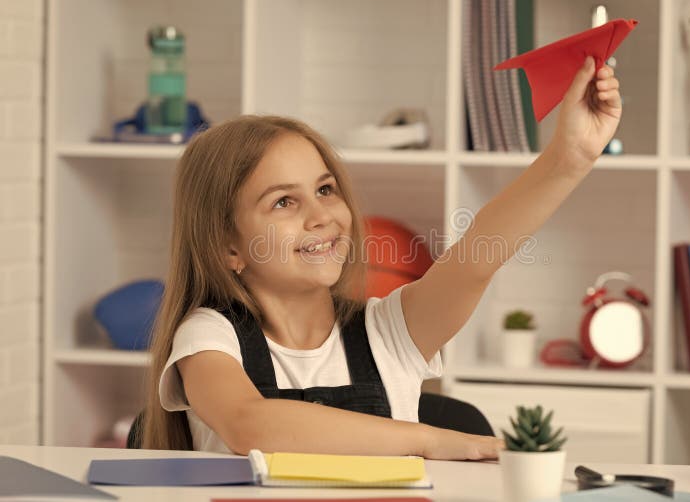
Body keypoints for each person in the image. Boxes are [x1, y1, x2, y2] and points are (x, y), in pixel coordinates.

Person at [142, 56, 621, 459]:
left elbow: (478, 257)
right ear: (228, 246)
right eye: (284, 202)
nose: (321, 216)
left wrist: (568, 158)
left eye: (325, 189)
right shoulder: (209, 336)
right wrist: (428, 440)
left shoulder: (388, 334)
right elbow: (253, 427)